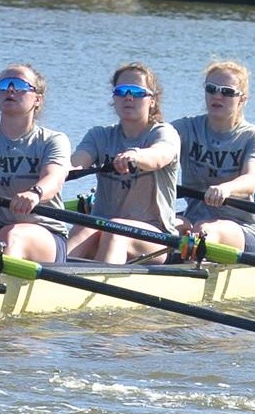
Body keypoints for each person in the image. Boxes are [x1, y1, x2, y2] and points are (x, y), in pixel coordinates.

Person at [67, 62, 180, 264]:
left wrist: (136, 156)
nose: (128, 96)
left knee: (117, 231)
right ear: (114, 98)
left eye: (137, 92)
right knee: (82, 227)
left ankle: (99, 288)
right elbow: (76, 163)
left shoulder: (163, 132)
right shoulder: (99, 136)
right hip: (104, 225)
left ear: (152, 101)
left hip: (156, 238)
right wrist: (55, 173)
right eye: (121, 91)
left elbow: (161, 155)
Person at [0, 64, 72, 263]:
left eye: (19, 85)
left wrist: (35, 193)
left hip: (43, 233)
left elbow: (54, 177)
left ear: (37, 100)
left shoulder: (52, 140)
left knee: (11, 236)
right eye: (5, 84)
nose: (10, 90)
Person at [172, 60, 255, 252]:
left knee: (205, 230)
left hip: (240, 228)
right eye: (211, 89)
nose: (217, 95)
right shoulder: (186, 128)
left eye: (226, 91)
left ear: (242, 99)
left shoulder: (254, 136)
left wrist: (225, 189)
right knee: (167, 226)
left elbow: (251, 180)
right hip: (193, 218)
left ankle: (190, 273)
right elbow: (159, 144)